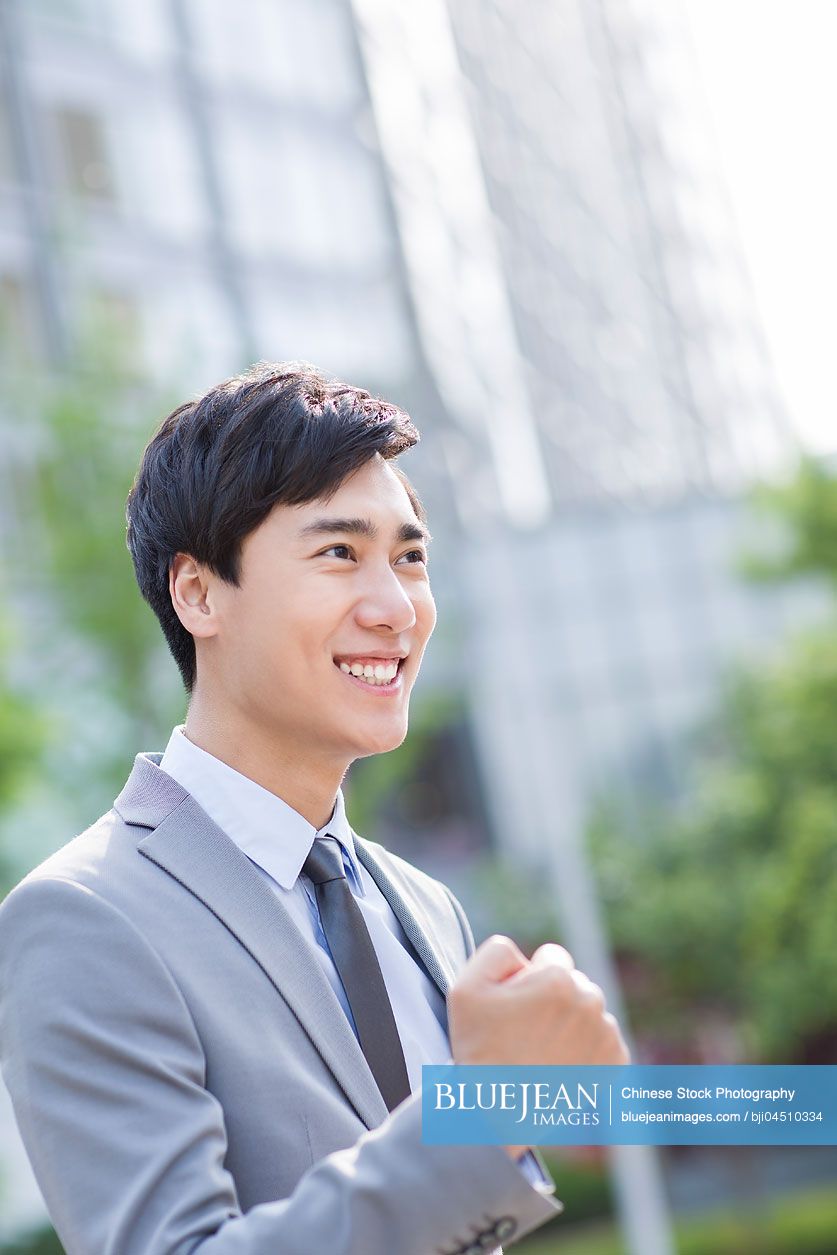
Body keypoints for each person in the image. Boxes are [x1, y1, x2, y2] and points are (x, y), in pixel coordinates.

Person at [0, 362, 628, 1254]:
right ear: (197, 591)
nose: (394, 608)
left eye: (409, 557)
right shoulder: (81, 918)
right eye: (339, 553)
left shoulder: (421, 903)